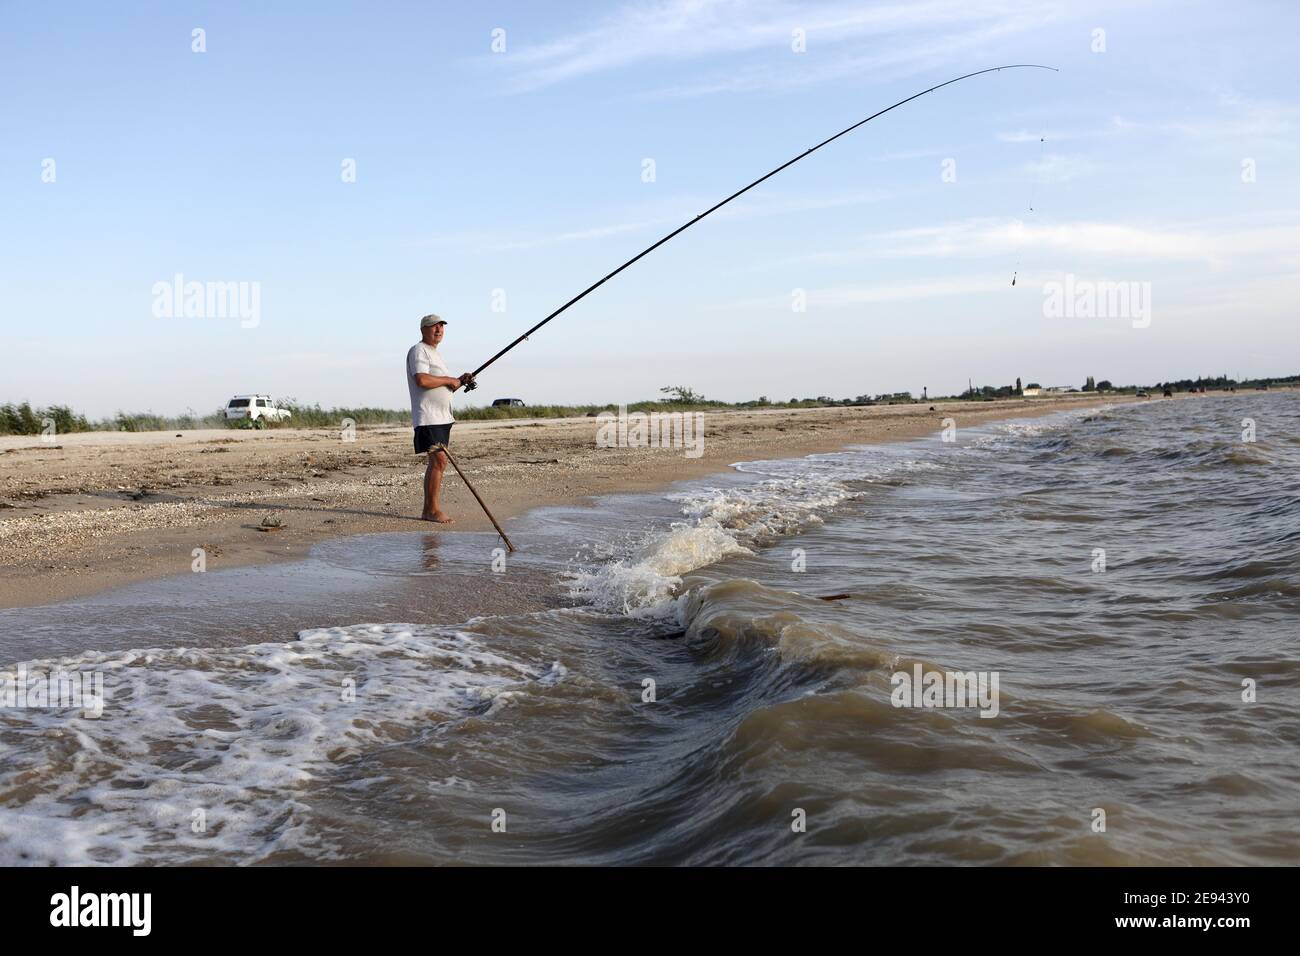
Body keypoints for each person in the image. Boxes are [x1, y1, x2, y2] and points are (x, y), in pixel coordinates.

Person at [406, 314, 475, 522]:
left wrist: (459, 381)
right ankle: (431, 510)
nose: (438, 330)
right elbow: (422, 380)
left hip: (442, 417)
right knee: (439, 460)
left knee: (439, 462)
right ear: (423, 329)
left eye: (441, 326)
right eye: (433, 326)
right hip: (428, 416)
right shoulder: (419, 350)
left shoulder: (435, 354)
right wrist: (449, 379)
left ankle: (430, 509)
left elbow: (443, 384)